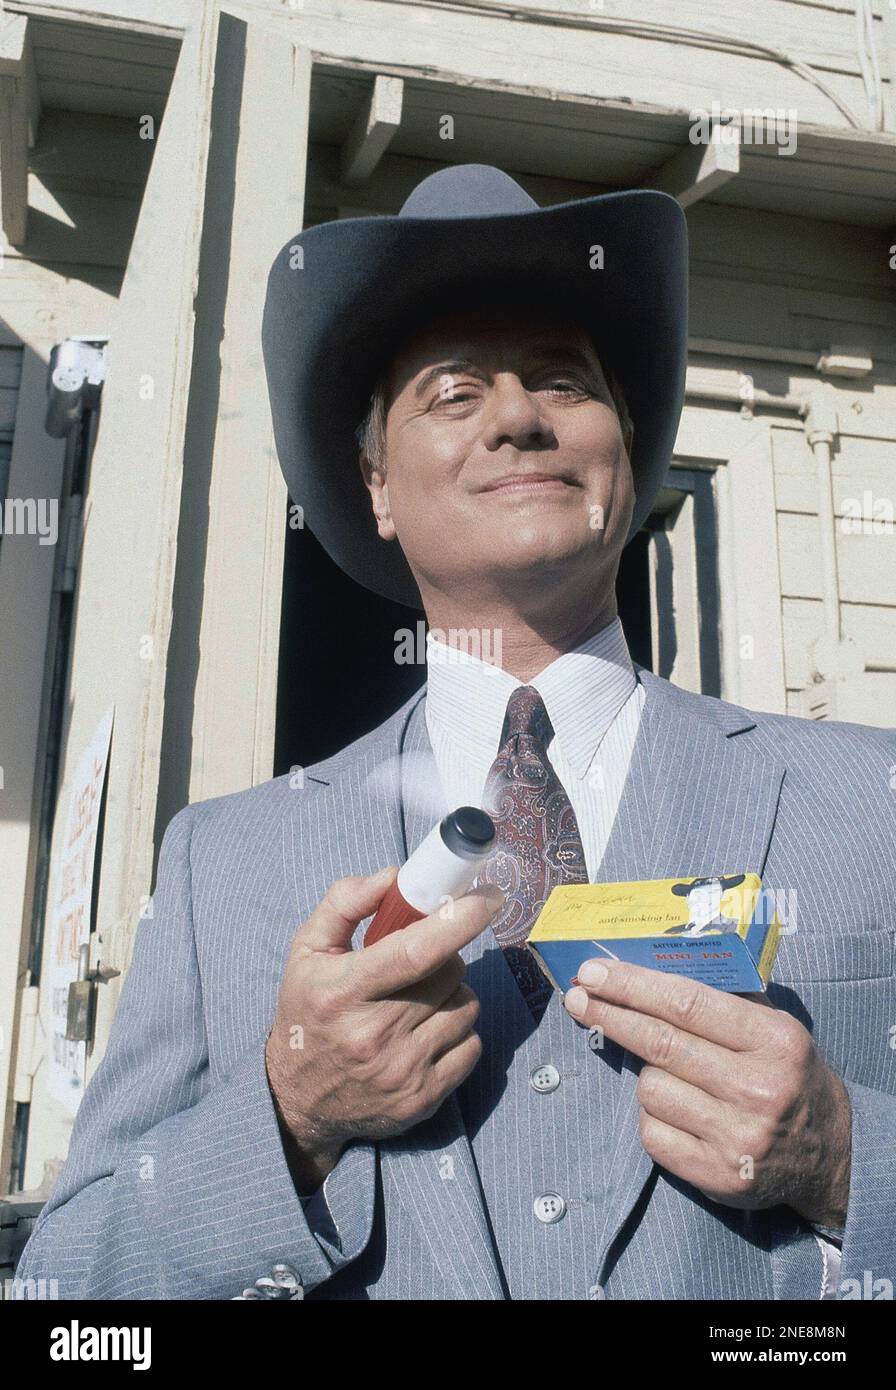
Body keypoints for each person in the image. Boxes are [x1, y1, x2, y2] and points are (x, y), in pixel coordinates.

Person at [14, 164, 896, 1301]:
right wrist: (288, 1118)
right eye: (451, 394)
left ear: (623, 452)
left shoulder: (868, 795)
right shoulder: (215, 864)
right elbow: (64, 1301)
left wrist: (844, 1161)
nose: (518, 417)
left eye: (561, 383)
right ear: (378, 486)